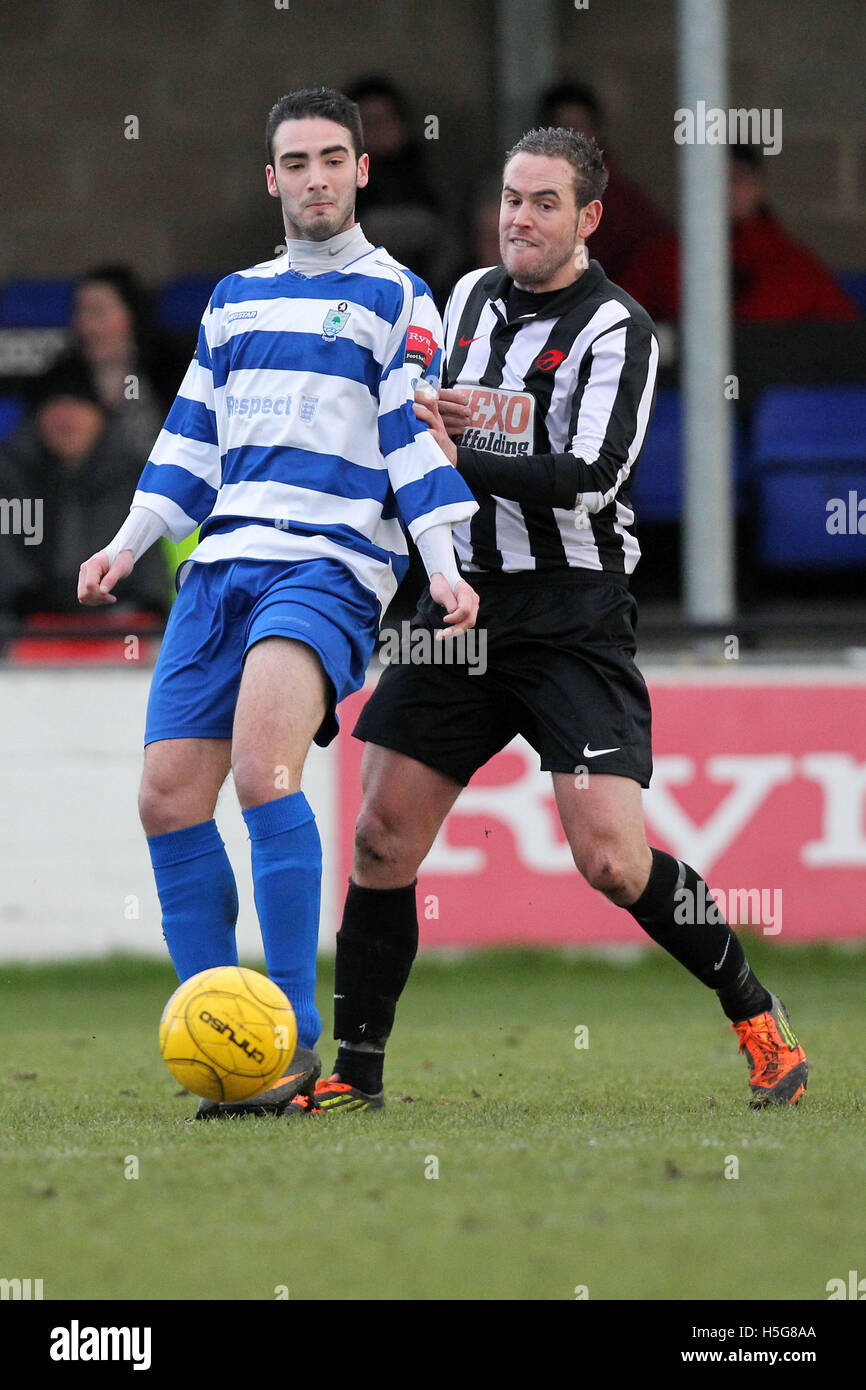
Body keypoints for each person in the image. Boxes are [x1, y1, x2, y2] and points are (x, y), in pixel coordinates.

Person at [301, 125, 808, 1117]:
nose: (518, 218)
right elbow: (419, 424)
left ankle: (755, 1014)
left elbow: (588, 479)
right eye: (509, 199)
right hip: (460, 605)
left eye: (541, 203)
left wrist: (456, 457)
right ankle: (354, 1074)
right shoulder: (467, 300)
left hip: (572, 618)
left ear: (586, 219)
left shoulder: (615, 329)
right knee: (378, 840)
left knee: (611, 859)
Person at [76, 86, 480, 1118]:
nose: (314, 178)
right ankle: (219, 1037)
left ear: (360, 171)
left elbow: (411, 439)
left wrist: (440, 558)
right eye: (295, 162)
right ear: (271, 178)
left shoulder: (398, 299)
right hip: (218, 570)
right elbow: (189, 445)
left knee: (263, 773)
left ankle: (293, 1041)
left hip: (329, 565)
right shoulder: (233, 299)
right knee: (166, 797)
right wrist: (125, 544)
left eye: (332, 159)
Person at [0, 356, 168, 620]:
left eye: (77, 403)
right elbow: (9, 570)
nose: (65, 417)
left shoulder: (134, 477)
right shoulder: (13, 476)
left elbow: (151, 581)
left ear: (100, 415)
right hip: (29, 629)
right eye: (53, 405)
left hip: (121, 625)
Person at [620, 144, 859, 323]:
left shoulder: (793, 263)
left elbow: (842, 340)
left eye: (738, 178)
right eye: (712, 180)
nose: (726, 190)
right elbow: (619, 329)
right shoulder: (659, 260)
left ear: (759, 188)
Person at [537, 81, 671, 284]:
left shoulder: (624, 203)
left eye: (580, 128)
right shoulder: (524, 195)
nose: (572, 139)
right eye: (562, 129)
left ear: (597, 133)